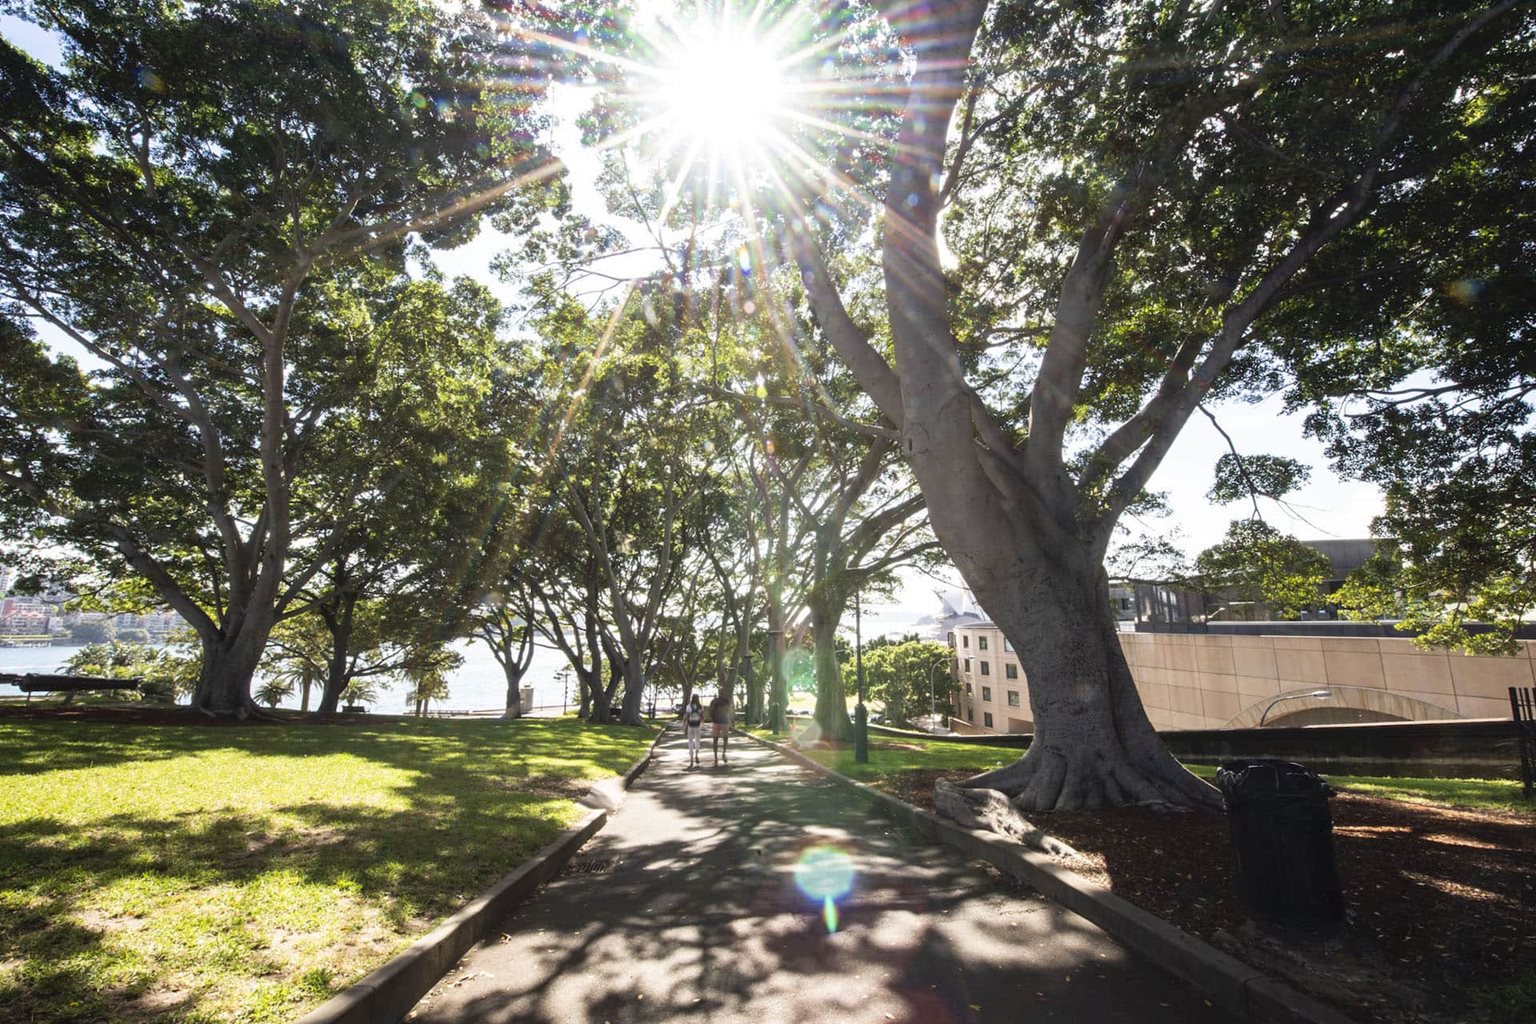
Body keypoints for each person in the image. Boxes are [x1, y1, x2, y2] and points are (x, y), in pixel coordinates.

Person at [708, 691, 732, 766]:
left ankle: (719, 756)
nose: (721, 694)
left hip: (720, 721)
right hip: (721, 721)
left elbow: (710, 711)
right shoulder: (722, 701)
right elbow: (730, 710)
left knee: (719, 739)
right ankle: (718, 756)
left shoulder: (716, 701)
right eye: (721, 692)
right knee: (719, 739)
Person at [683, 695, 703, 768]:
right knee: (697, 741)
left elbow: (687, 717)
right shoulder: (700, 707)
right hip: (697, 726)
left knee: (690, 742)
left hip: (690, 726)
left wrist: (685, 726)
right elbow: (702, 717)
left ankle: (691, 759)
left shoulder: (688, 706)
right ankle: (696, 755)